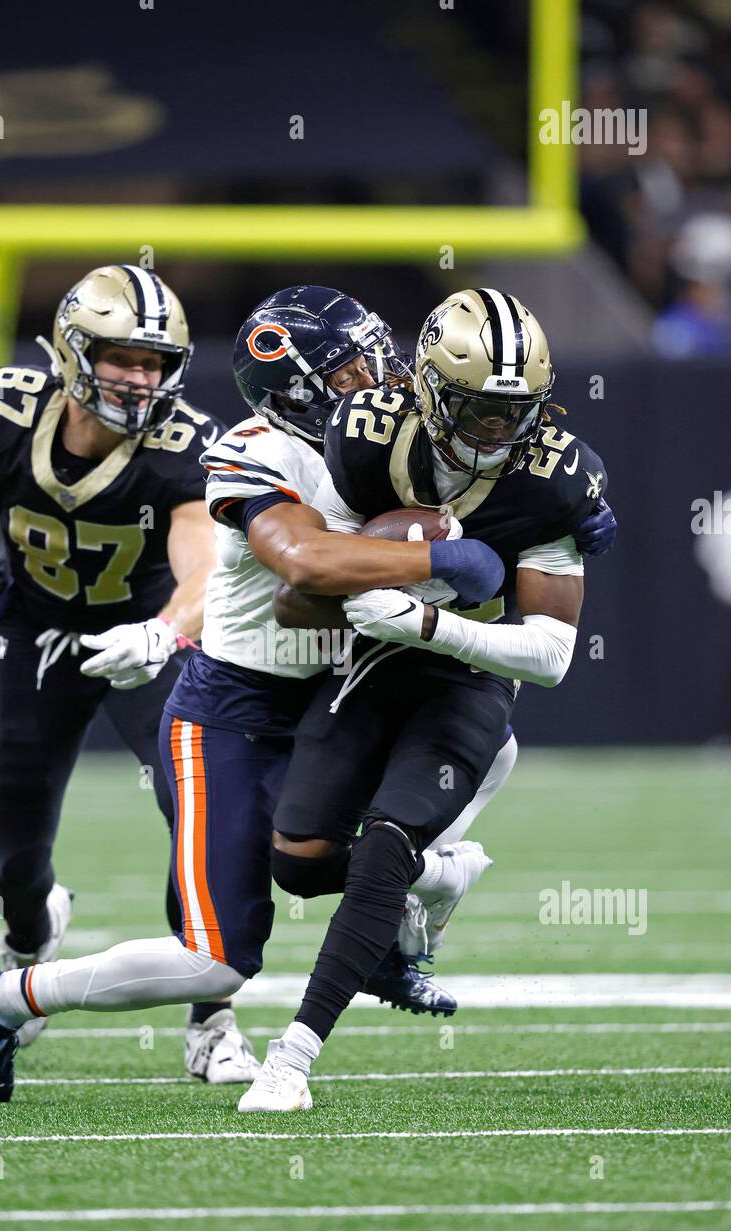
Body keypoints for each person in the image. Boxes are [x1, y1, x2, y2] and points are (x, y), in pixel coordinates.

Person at [0, 284, 504, 1102]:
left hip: (335, 693)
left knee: (485, 735)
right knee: (216, 956)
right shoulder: (256, 451)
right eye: (354, 368)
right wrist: (439, 562)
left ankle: (413, 896)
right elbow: (307, 567)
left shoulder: (399, 438)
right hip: (234, 712)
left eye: (377, 354)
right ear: (298, 388)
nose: (381, 376)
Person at [239, 286, 617, 1111]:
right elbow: (301, 598)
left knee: (381, 844)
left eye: (514, 410)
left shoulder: (557, 476)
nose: (498, 429)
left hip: (472, 675)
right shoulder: (368, 433)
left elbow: (552, 656)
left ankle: (291, 1059)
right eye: (478, 409)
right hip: (376, 661)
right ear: (428, 388)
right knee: (297, 864)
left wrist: (430, 626)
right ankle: (440, 876)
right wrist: (374, 580)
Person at [0, 263, 256, 1082]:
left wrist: (163, 637)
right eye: (122, 358)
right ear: (72, 352)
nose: (142, 378)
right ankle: (32, 942)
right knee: (12, 861)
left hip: (146, 645)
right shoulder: (2, 416)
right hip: (36, 632)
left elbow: (204, 579)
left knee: (198, 826)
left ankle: (212, 1019)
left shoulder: (179, 448)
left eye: (155, 361)